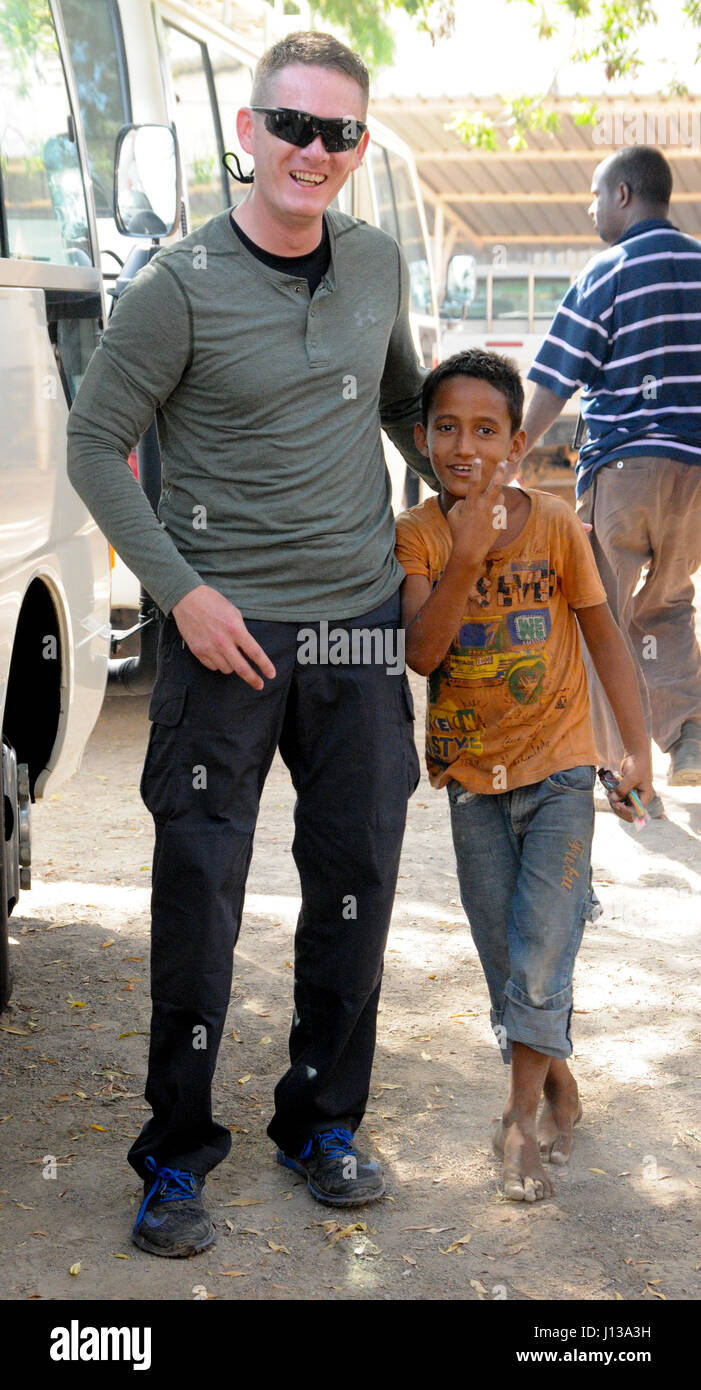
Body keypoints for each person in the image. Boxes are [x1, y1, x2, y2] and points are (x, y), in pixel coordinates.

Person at [67, 31, 431, 1258]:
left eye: (335, 133)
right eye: (289, 125)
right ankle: (175, 1158)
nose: (309, 151)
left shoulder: (375, 263)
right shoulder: (176, 284)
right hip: (224, 641)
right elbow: (92, 441)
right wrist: (179, 593)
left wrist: (469, 498)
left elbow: (401, 402)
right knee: (200, 902)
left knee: (355, 888)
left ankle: (320, 1123)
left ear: (357, 147)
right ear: (247, 133)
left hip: (360, 632)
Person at [395, 349, 652, 1202]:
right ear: (424, 437)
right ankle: (554, 1081)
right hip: (472, 777)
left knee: (542, 944)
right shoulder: (421, 535)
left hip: (559, 769)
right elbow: (423, 652)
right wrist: (465, 553)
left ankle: (516, 1122)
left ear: (514, 444)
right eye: (445, 427)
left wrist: (633, 747)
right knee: (503, 953)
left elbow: (606, 637)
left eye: (485, 430)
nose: (463, 445)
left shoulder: (553, 526)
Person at [522, 145, 701, 793]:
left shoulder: (608, 271)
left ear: (623, 195)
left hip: (624, 468)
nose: (589, 207)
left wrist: (510, 456)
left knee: (594, 609)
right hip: (696, 479)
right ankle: (688, 737)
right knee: (667, 604)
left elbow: (551, 379)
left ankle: (616, 763)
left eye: (595, 194)